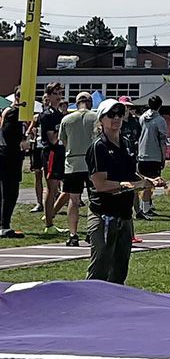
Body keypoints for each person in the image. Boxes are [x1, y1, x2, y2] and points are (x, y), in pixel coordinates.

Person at [86, 98, 164, 283]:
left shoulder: (127, 143)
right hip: (104, 214)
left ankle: (116, 308)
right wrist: (124, 185)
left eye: (120, 114)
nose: (116, 118)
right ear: (101, 119)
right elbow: (100, 185)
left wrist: (149, 181)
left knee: (120, 267)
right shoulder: (99, 147)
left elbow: (132, 173)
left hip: (124, 214)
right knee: (101, 266)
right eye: (111, 114)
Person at [56, 91, 97, 245]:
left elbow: (63, 142)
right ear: (90, 102)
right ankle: (91, 231)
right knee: (94, 199)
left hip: (73, 164)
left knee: (74, 200)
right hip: (92, 163)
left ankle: (73, 235)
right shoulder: (96, 118)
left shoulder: (66, 119)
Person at [39, 82, 68, 234]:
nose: (58, 97)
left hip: (61, 153)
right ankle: (49, 224)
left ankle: (50, 216)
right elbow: (53, 139)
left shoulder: (59, 114)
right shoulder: (47, 115)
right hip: (51, 153)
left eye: (60, 93)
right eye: (55, 93)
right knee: (52, 189)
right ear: (48, 96)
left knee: (66, 188)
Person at [0, 87, 29, 238]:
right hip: (8, 158)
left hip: (10, 157)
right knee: (9, 193)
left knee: (8, 192)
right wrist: (22, 141)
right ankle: (4, 225)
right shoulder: (13, 113)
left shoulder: (15, 113)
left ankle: (4, 224)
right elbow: (7, 134)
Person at [135, 96, 169, 220]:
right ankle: (146, 208)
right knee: (151, 183)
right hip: (154, 155)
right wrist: (163, 156)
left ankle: (143, 205)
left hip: (142, 153)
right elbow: (162, 141)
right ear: (160, 106)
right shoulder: (160, 120)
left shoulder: (142, 118)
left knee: (142, 182)